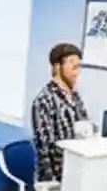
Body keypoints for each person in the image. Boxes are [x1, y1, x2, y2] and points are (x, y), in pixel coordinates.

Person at [31, 43, 89, 183]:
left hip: (76, 171)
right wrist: (52, 184)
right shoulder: (44, 100)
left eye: (78, 66)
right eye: (72, 65)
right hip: (56, 178)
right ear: (57, 67)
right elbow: (45, 148)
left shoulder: (76, 98)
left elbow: (85, 132)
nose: (77, 71)